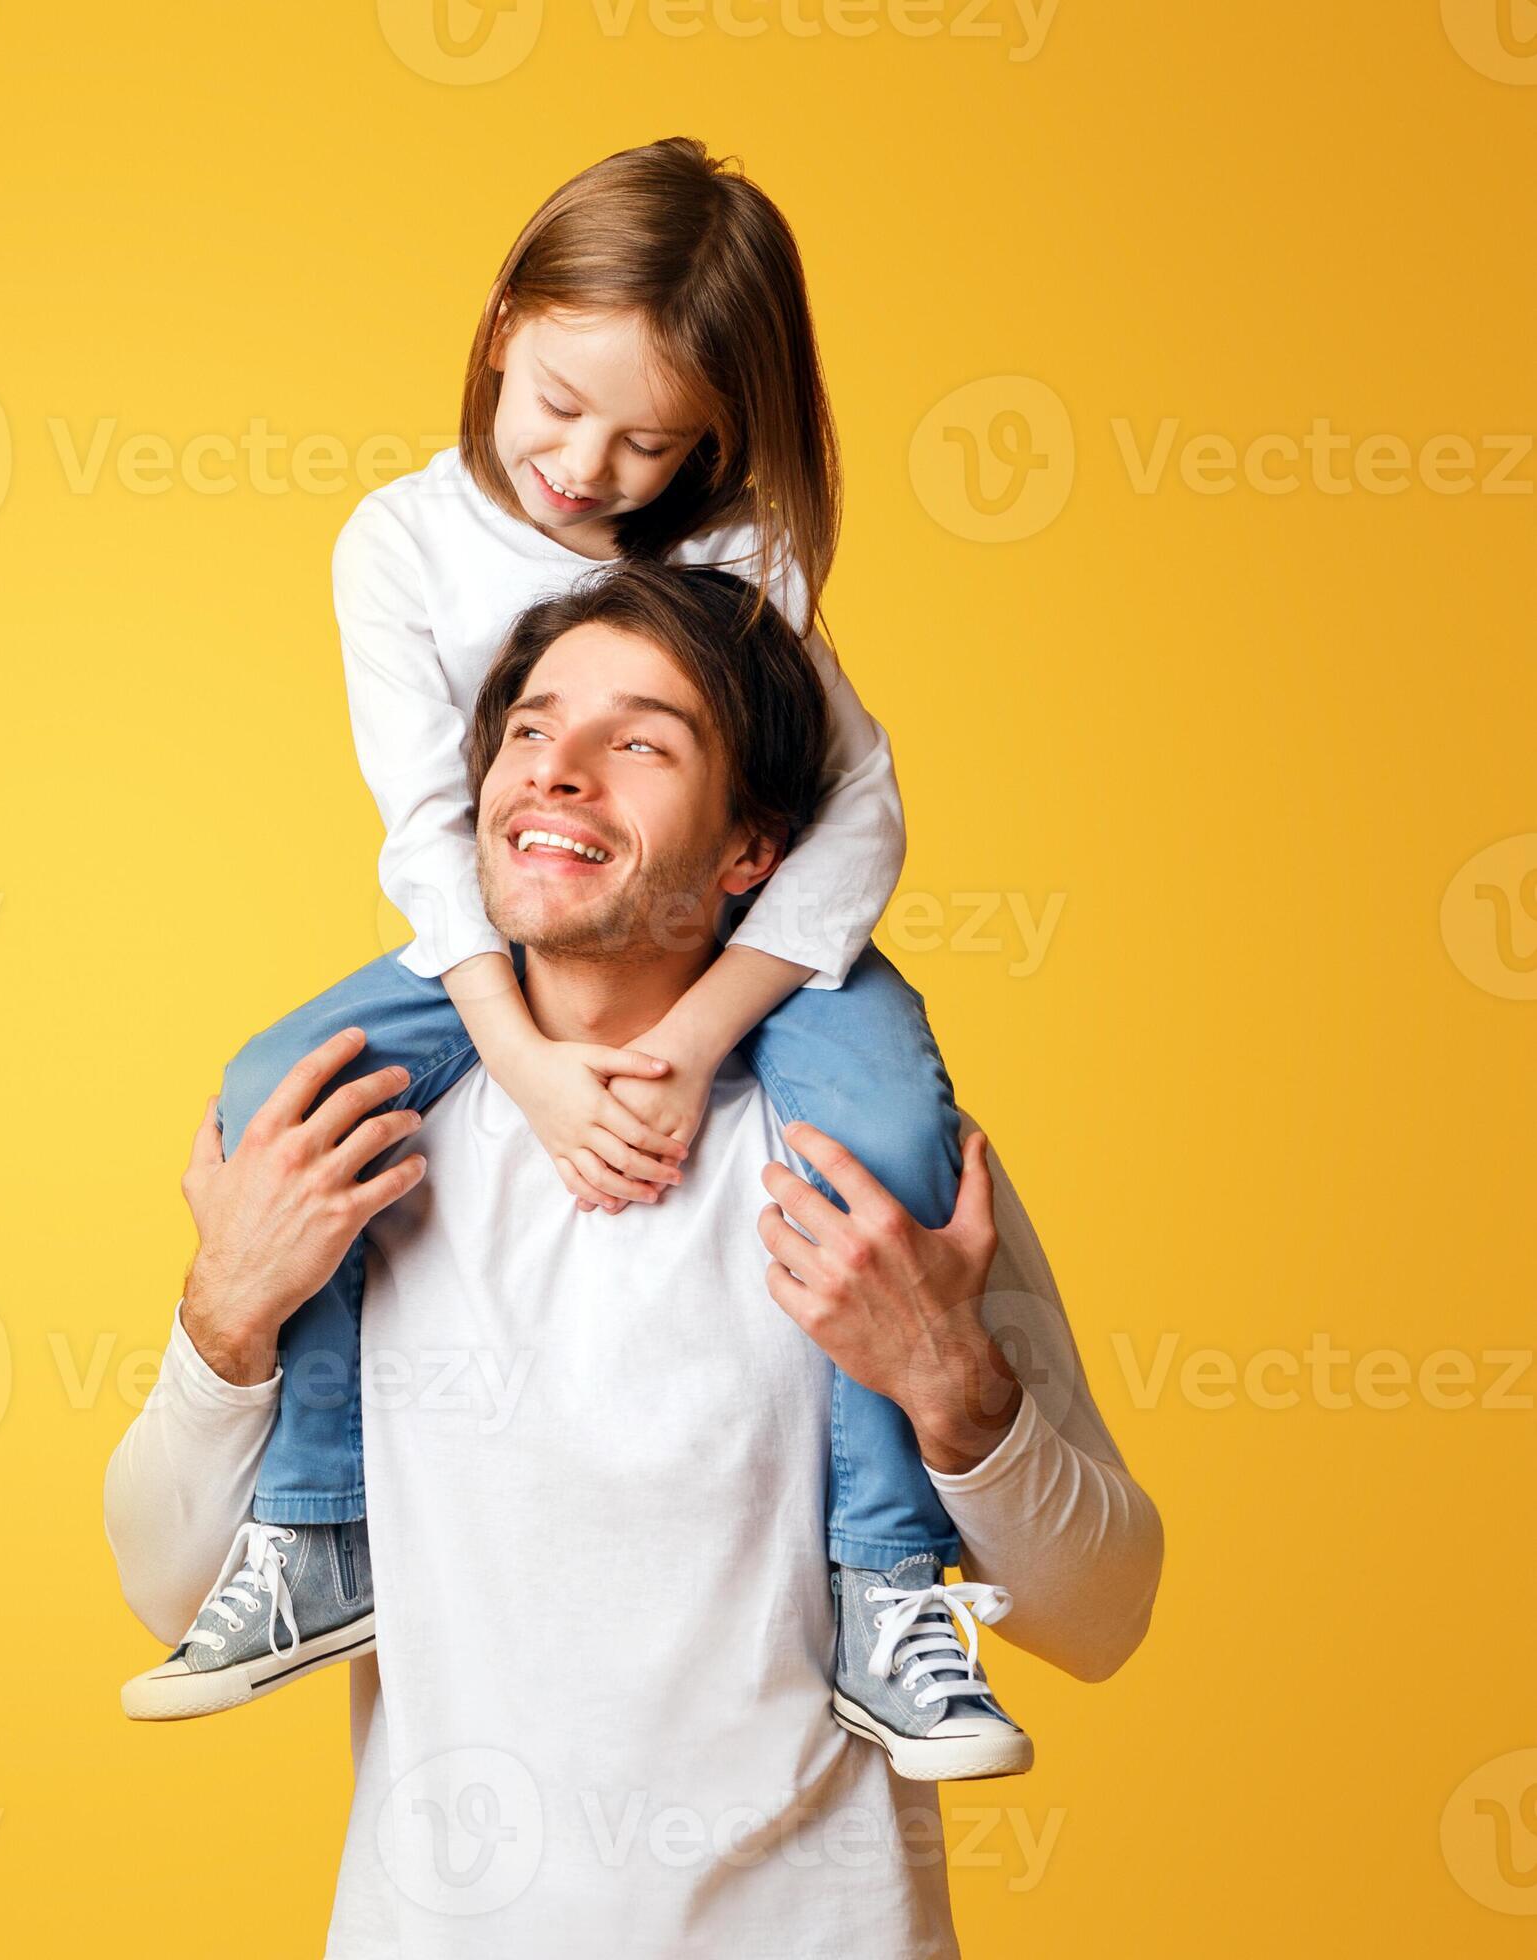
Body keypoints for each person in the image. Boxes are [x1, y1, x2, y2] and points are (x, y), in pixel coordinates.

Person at [103, 564, 1162, 1953]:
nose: (560, 775)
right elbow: (163, 1588)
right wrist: (225, 1315)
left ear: (752, 853)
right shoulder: (358, 1143)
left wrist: (950, 1384)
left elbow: (1105, 1616)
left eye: (643, 743)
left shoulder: (867, 1164)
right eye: (531, 732)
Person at [121, 139, 992, 1778]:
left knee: (885, 1136)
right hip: (483, 963)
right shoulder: (399, 545)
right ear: (505, 319)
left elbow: (856, 827)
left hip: (746, 963)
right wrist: (525, 1066)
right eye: (561, 403)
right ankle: (317, 1535)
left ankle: (888, 1573)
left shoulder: (739, 567)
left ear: (720, 442)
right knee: (270, 1103)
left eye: (651, 440)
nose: (587, 468)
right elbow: (428, 826)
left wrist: (694, 1039)